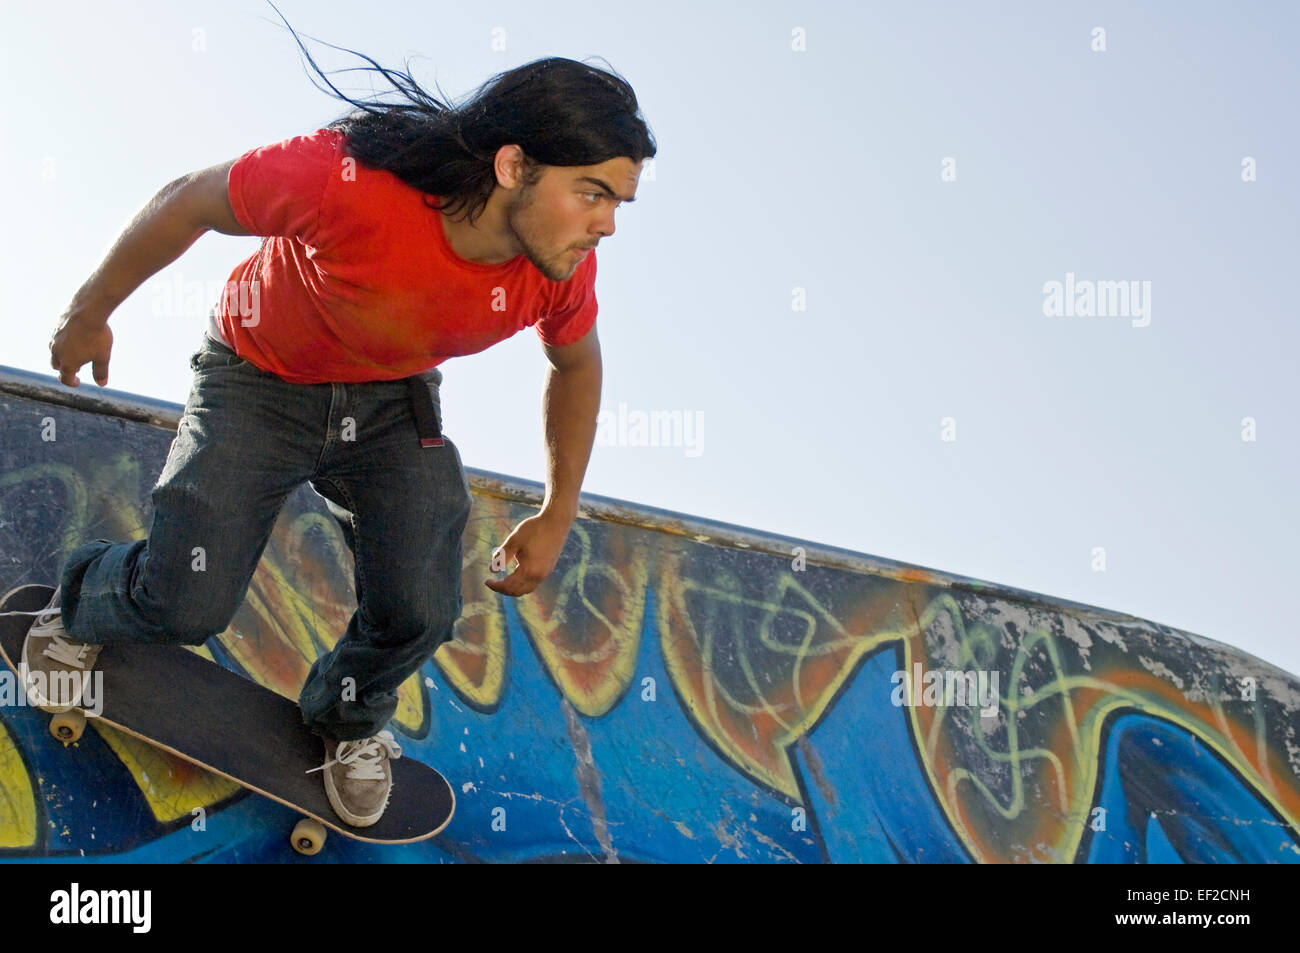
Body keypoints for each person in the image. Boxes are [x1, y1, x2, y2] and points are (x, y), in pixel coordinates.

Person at [23, 34, 654, 828]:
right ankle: (80, 605)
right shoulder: (345, 181)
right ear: (512, 166)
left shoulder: (557, 272)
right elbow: (190, 198)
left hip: (390, 402)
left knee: (422, 604)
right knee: (184, 601)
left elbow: (578, 369)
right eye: (592, 193)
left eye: (619, 203)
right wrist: (90, 309)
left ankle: (346, 719)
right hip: (257, 376)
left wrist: (559, 510)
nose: (607, 226)